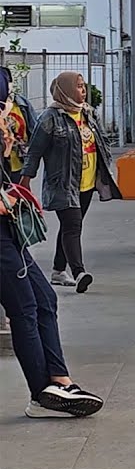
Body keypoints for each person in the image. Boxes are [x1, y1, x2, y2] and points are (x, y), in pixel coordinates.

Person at [0, 109, 105, 418]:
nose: (9, 131)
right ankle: (40, 395)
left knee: (45, 300)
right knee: (24, 309)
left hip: (10, 236)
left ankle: (60, 381)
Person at [20, 72, 122, 293]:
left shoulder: (87, 113)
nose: (83, 90)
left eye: (83, 86)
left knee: (71, 226)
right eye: (78, 86)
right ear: (65, 90)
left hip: (85, 182)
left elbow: (101, 142)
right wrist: (26, 181)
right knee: (73, 226)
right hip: (62, 183)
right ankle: (79, 272)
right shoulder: (50, 117)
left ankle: (58, 270)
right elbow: (35, 151)